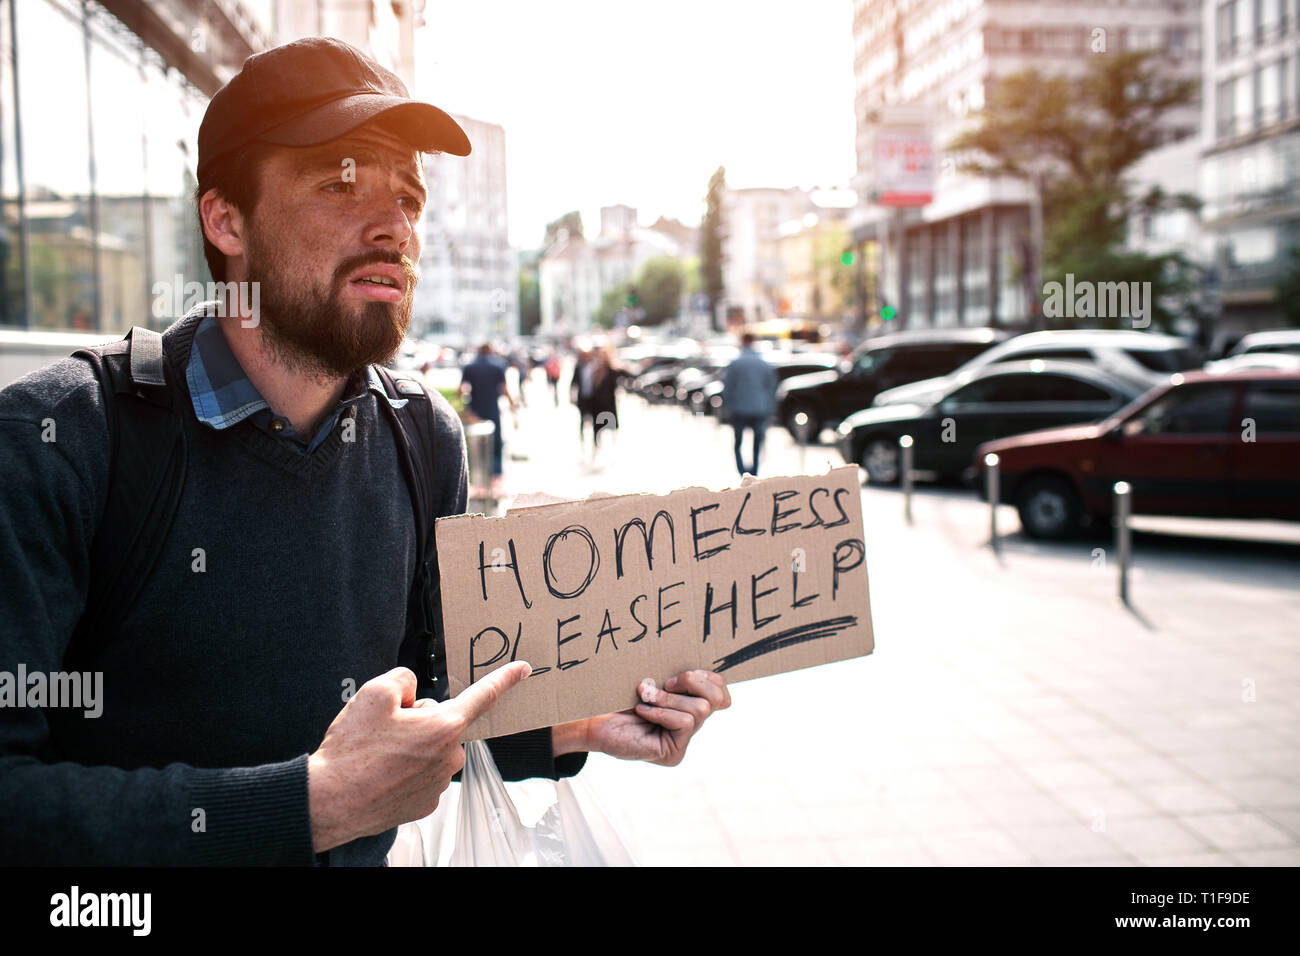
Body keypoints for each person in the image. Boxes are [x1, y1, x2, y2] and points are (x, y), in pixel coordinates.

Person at [0, 36, 730, 866]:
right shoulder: (60, 441)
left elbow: (431, 704)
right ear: (226, 218)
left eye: (409, 199)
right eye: (342, 183)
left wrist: (575, 717)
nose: (393, 228)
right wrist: (308, 805)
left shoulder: (421, 436)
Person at [722, 332, 778, 476]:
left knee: (738, 442)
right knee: (757, 442)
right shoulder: (763, 364)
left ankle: (742, 472)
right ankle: (754, 471)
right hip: (760, 408)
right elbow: (771, 388)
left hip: (739, 408)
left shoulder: (735, 363)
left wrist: (727, 406)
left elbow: (728, 387)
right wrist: (770, 408)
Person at [460, 342, 514, 485]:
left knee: (475, 443)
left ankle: (476, 476)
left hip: (476, 410)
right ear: (490, 350)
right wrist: (513, 404)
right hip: (492, 408)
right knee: (496, 442)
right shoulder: (498, 366)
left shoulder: (470, 367)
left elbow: (462, 389)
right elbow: (504, 388)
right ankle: (495, 475)